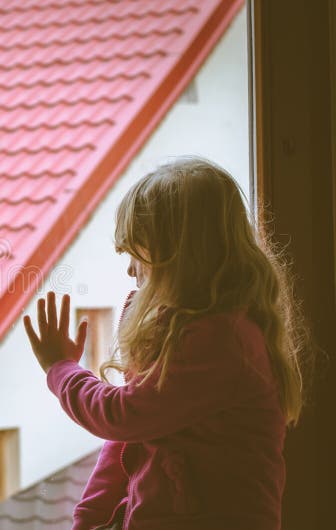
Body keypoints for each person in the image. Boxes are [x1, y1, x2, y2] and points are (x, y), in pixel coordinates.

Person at [23, 157, 309, 530]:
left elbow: (124, 416)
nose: (130, 270)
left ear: (179, 257)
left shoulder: (224, 340)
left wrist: (60, 369)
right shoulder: (185, 333)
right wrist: (90, 516)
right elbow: (130, 440)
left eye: (138, 252)